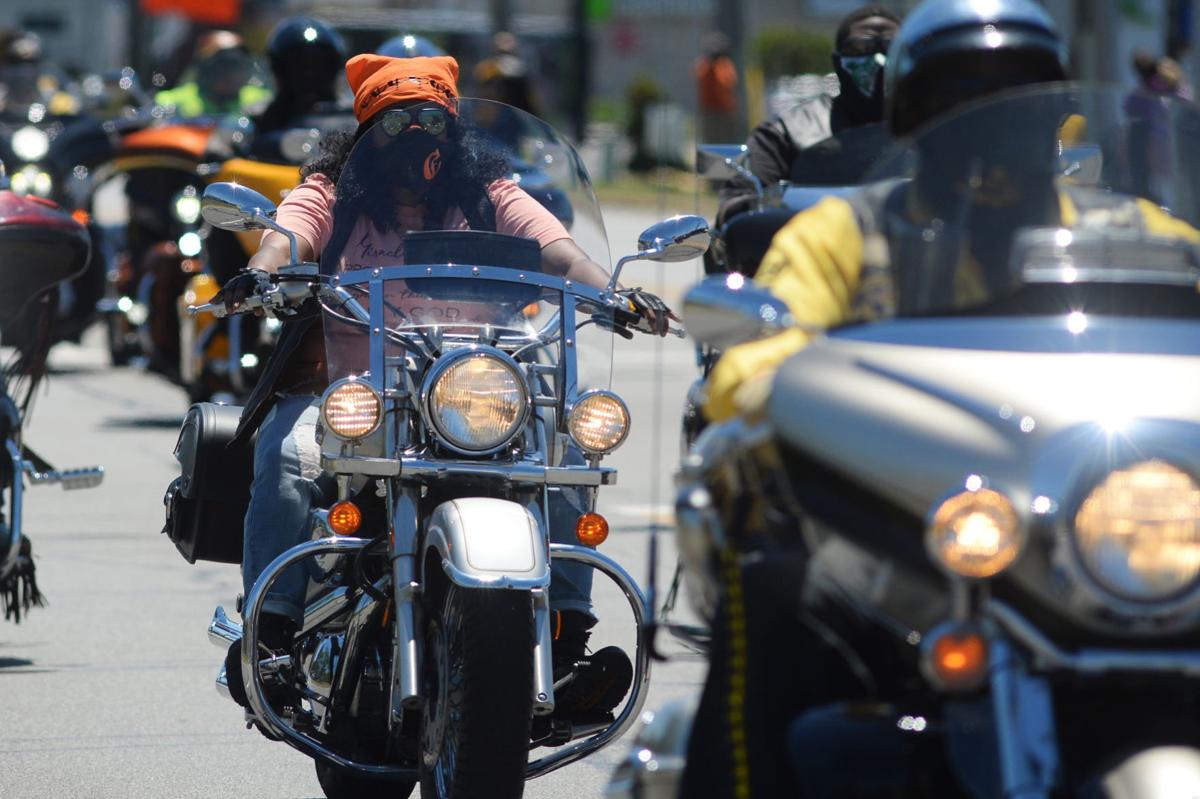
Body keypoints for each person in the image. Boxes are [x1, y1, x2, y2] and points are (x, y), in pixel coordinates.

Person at [684, 1, 1200, 796]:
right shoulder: (849, 233)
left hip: (1108, 523)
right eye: (959, 101)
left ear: (1055, 114)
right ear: (912, 120)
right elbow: (756, 361)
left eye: (1015, 98)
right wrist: (795, 389)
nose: (989, 125)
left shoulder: (1135, 232)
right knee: (776, 586)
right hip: (910, 538)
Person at [214, 53, 674, 720]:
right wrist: (264, 268)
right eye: (393, 123)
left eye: (431, 120)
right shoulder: (333, 192)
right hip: (360, 397)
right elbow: (290, 234)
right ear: (365, 132)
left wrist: (614, 293)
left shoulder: (487, 194)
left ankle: (567, 644)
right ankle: (270, 639)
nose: (415, 136)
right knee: (286, 452)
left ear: (453, 127)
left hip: (474, 396)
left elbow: (558, 249)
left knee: (568, 449)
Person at [717, 5, 901, 224]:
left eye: (893, 48)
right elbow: (736, 209)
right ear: (838, 61)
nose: (879, 59)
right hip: (815, 244)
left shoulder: (930, 126)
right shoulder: (785, 133)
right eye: (861, 48)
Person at [253, 16, 349, 137]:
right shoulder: (257, 123)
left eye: (319, 66)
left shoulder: (351, 119)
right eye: (298, 66)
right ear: (278, 69)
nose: (309, 75)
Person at [154, 30, 270, 118]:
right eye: (223, 66)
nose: (232, 75)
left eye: (237, 66)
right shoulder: (172, 102)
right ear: (204, 70)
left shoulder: (259, 101)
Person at [695, 33, 740, 145]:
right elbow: (701, 78)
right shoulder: (704, 65)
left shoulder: (725, 65)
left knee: (727, 142)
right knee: (711, 142)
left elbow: (729, 82)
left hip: (725, 111)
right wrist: (710, 64)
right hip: (710, 111)